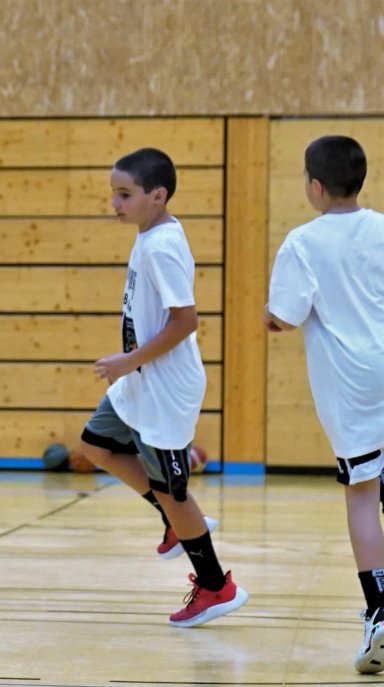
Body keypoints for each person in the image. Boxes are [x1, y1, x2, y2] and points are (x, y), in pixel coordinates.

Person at [78, 148, 246, 627]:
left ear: (158, 195)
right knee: (96, 445)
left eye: (125, 194)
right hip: (140, 380)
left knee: (176, 494)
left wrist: (127, 360)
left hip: (164, 387)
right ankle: (174, 523)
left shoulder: (162, 246)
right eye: (114, 192)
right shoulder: (148, 233)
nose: (115, 202)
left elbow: (186, 321)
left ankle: (216, 586)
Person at [265, 135, 384, 672]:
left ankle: (380, 611)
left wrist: (272, 317)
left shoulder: (302, 242)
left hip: (352, 386)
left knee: (362, 494)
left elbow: (286, 315)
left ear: (315, 185)